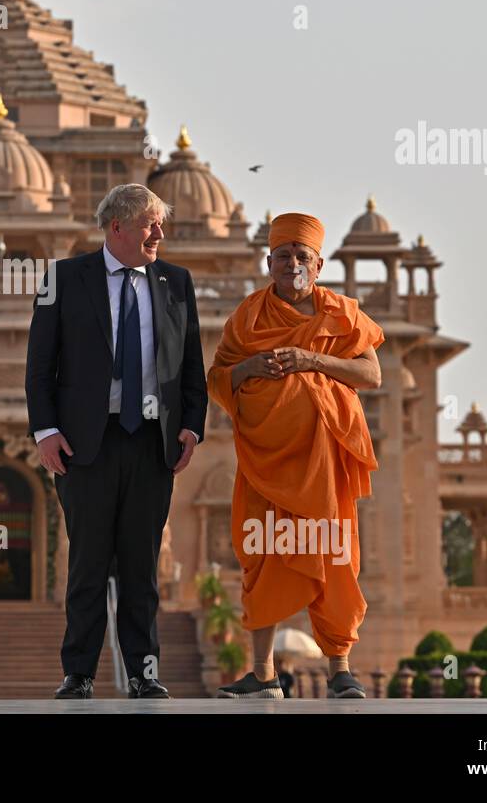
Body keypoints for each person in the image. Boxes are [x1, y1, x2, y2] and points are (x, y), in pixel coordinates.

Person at [26, 183, 207, 699]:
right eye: (151, 224)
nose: (160, 233)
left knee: (140, 565)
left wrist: (191, 426)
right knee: (87, 560)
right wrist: (45, 432)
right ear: (117, 227)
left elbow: (191, 364)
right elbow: (40, 367)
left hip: (152, 442)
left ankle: (144, 672)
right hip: (86, 443)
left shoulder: (176, 282)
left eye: (160, 224)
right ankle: (79, 673)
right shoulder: (63, 278)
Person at [206, 212, 383, 699]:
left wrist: (312, 360)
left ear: (318, 264)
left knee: (330, 554)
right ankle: (262, 673)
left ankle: (340, 668)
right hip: (265, 461)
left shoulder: (342, 314)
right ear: (269, 263)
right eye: (283, 255)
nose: (293, 264)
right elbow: (218, 380)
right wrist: (249, 366)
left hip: (322, 463)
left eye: (302, 256)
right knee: (262, 555)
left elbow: (371, 376)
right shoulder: (247, 316)